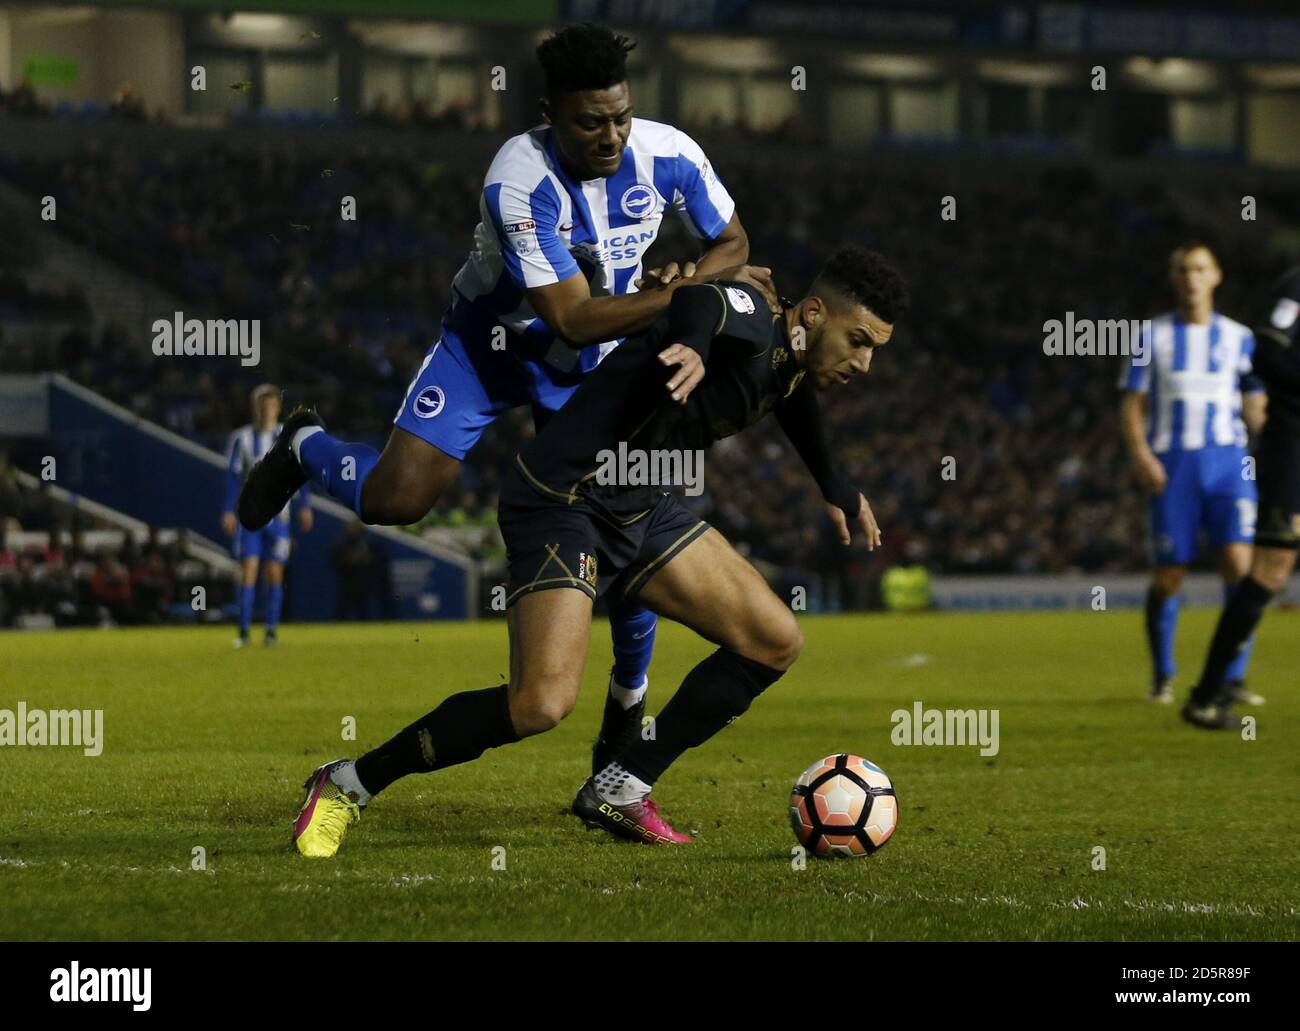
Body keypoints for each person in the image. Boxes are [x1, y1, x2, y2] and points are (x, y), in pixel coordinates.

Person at [240, 22, 774, 764]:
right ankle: (305, 444)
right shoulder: (517, 179)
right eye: (591, 121)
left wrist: (690, 278)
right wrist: (682, 295)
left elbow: (735, 244)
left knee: (621, 504)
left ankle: (628, 696)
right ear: (550, 113)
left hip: (594, 363)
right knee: (396, 501)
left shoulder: (670, 153)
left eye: (620, 115)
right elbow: (574, 318)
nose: (612, 135)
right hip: (491, 348)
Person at [288, 245, 907, 857]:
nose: (865, 362)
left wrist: (835, 484)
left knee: (774, 640)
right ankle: (348, 782)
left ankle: (621, 785)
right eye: (860, 340)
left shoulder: (788, 356)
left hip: (640, 506)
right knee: (540, 704)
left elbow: (790, 395)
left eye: (875, 348)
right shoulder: (749, 310)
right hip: (565, 500)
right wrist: (690, 343)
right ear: (815, 312)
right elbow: (701, 299)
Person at [1118, 242, 1266, 704]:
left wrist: (1271, 445)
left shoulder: (1240, 337)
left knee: (1240, 568)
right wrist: (1142, 454)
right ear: (1173, 276)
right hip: (1174, 463)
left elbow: (1255, 400)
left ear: (1216, 275)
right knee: (1170, 574)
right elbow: (1132, 402)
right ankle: (1163, 676)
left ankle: (1231, 678)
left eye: (1200, 268)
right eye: (1183, 269)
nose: (1191, 277)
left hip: (1229, 461)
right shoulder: (1150, 336)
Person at [1183, 266, 1300, 728]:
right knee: (1270, 571)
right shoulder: (1296, 286)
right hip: (1292, 442)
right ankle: (1208, 695)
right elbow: (1268, 349)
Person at [222, 384, 313, 647]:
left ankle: (271, 631)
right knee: (248, 571)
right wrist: (228, 510)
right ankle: (243, 632)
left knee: (274, 573)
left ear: (277, 408)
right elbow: (232, 476)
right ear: (255, 408)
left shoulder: (286, 439)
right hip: (249, 517)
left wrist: (305, 506)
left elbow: (299, 475)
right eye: (261, 405)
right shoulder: (242, 438)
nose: (266, 410)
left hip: (280, 519)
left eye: (270, 405)